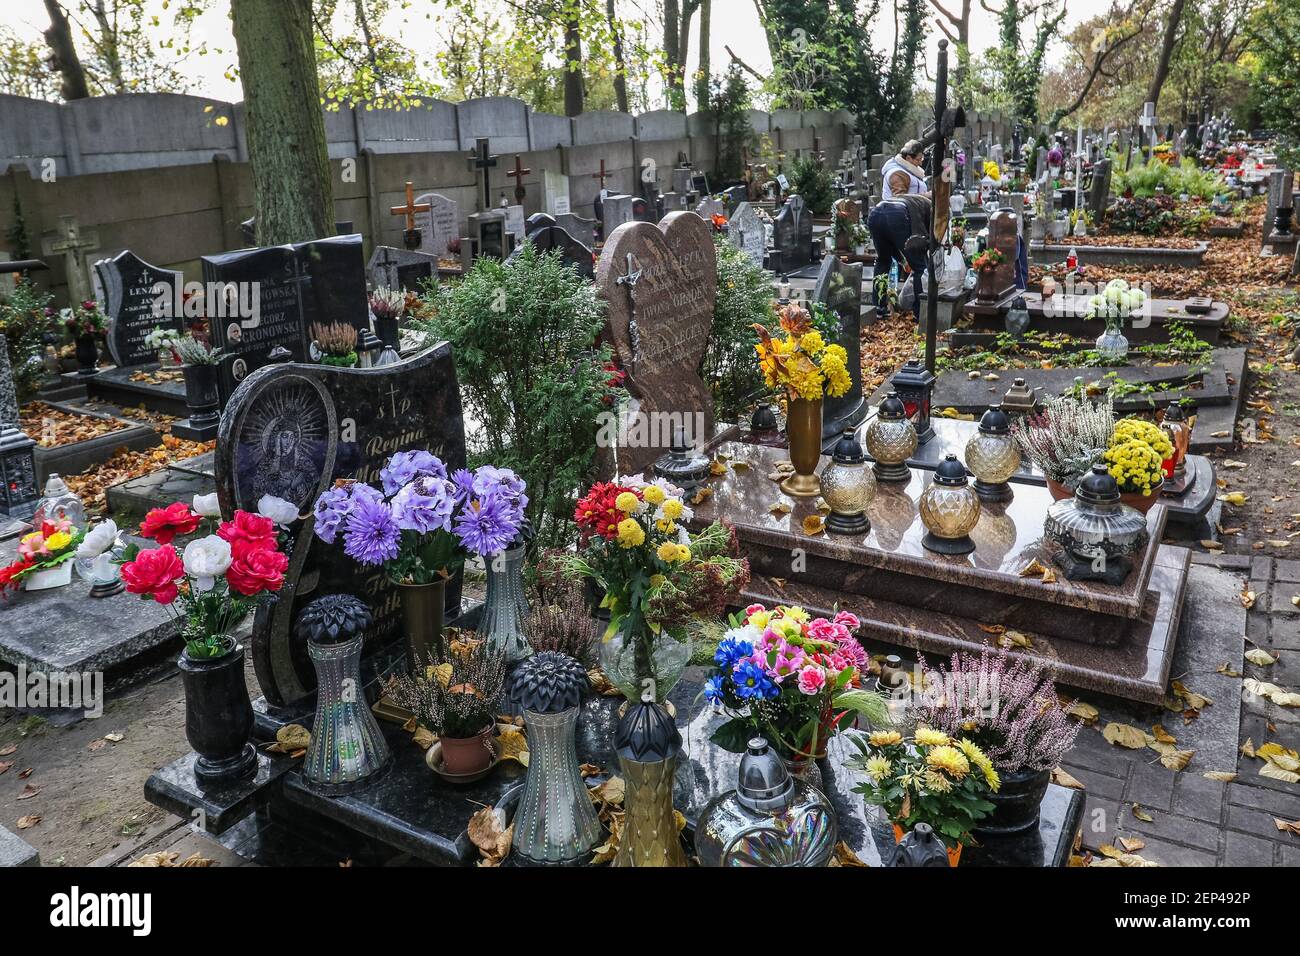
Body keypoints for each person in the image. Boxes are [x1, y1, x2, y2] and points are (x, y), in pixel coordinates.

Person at [868, 192, 933, 321]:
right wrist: (917, 257)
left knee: (883, 261)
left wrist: (903, 261)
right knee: (919, 267)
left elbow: (892, 243)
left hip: (876, 213)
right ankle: (919, 313)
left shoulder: (912, 199)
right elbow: (923, 240)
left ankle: (879, 308)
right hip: (898, 215)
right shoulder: (930, 207)